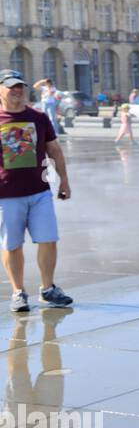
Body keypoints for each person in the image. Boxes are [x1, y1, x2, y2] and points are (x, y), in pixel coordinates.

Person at [0, 69, 74, 312]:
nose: (17, 90)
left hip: (40, 191)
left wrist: (64, 180)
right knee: (12, 245)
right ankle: (18, 292)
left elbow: (54, 150)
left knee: (49, 240)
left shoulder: (39, 117)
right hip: (6, 194)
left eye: (20, 86)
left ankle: (48, 289)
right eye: (11, 86)